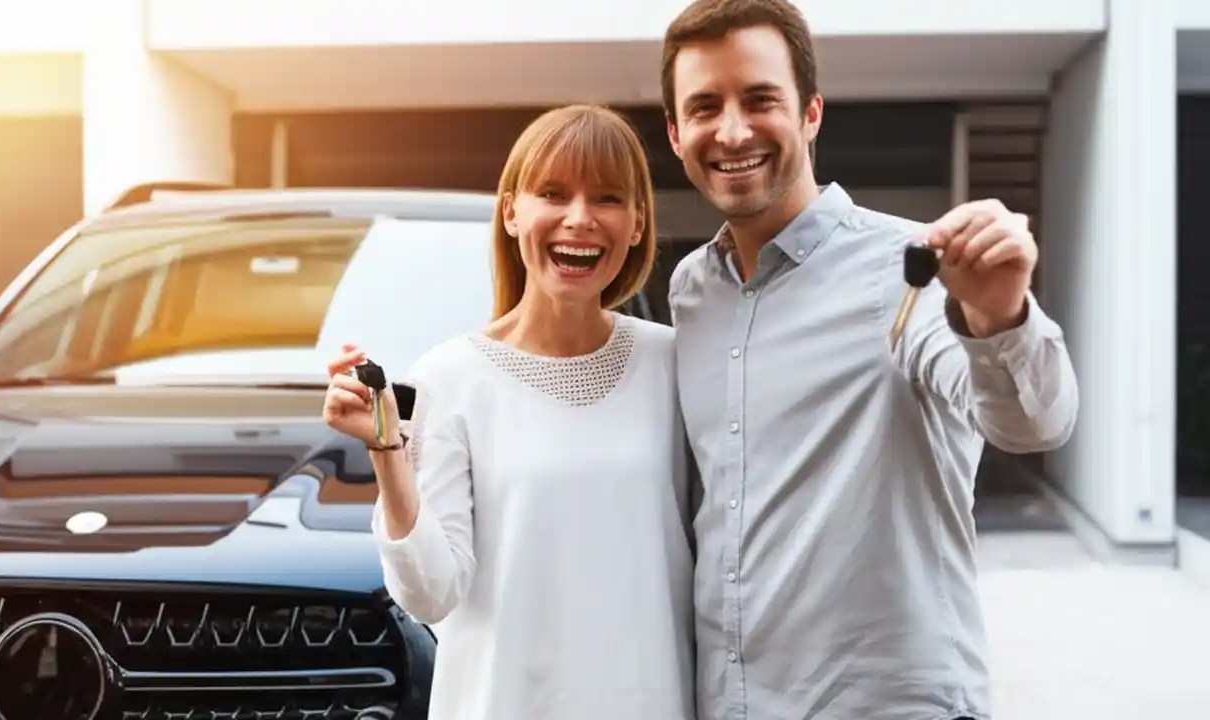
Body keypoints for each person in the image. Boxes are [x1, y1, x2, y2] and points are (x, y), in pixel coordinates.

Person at [660, 1, 1080, 718]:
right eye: (704, 107)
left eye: (760, 99)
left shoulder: (910, 267)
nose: (731, 131)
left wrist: (999, 318)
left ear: (811, 114)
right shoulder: (692, 291)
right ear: (675, 133)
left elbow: (1033, 423)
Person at [322, 104, 696, 720]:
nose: (580, 218)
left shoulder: (675, 363)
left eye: (606, 197)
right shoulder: (449, 376)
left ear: (636, 224)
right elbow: (430, 594)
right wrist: (387, 450)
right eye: (553, 193)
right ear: (511, 211)